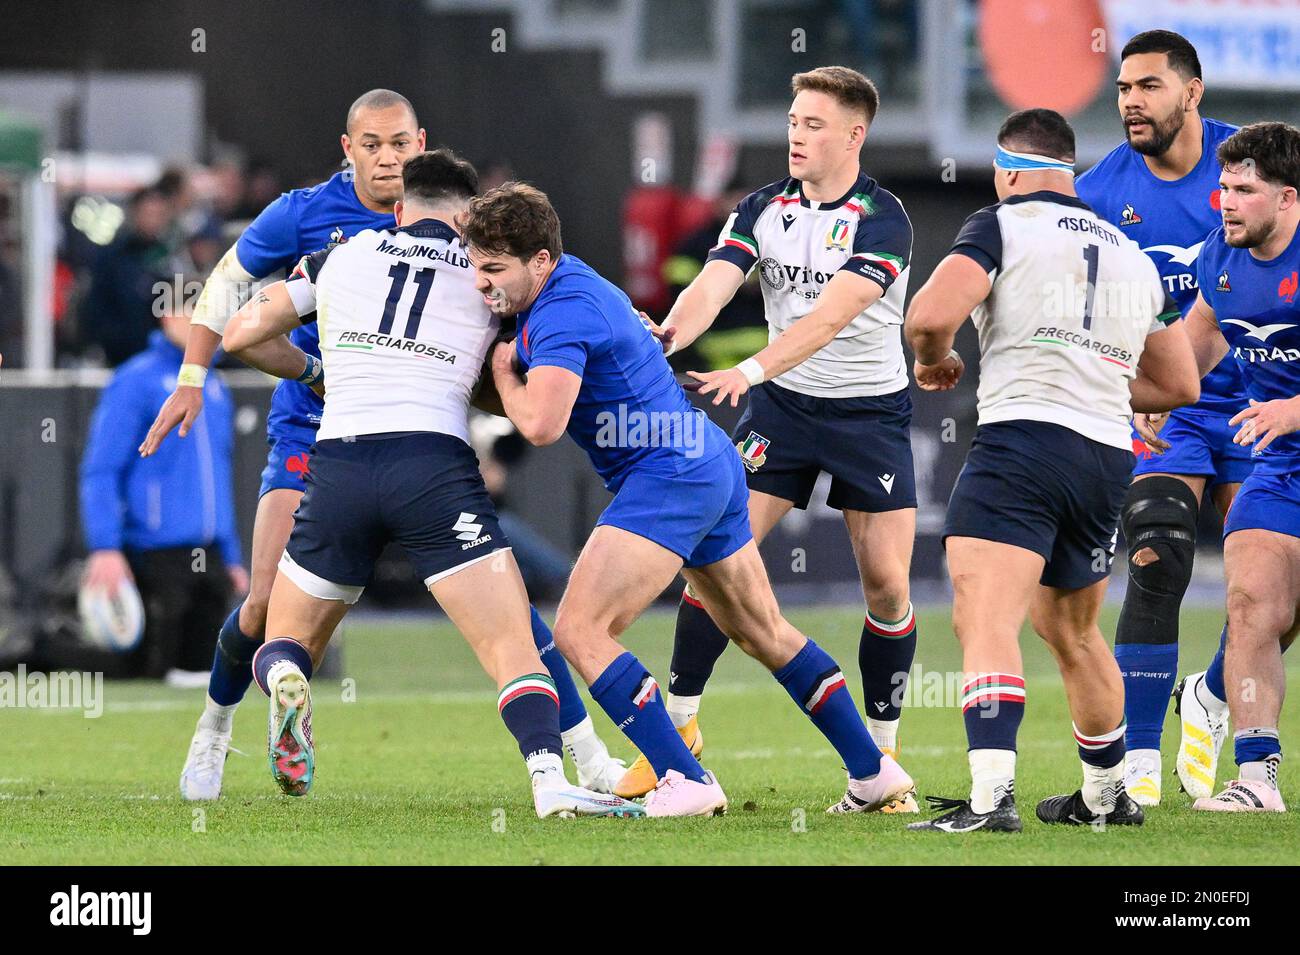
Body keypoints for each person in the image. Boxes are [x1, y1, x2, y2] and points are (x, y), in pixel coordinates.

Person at [138, 89, 621, 801]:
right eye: (373, 145)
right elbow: (226, 283)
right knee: (275, 601)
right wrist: (257, 373)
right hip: (342, 431)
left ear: (418, 147)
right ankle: (212, 735)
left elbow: (244, 322)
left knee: (294, 626)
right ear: (349, 149)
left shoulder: (355, 253)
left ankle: (591, 756)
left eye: (400, 145)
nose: (388, 157)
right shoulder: (324, 219)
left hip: (344, 451)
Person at [464, 181, 915, 817]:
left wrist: (508, 376)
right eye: (476, 267)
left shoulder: (559, 313)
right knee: (764, 632)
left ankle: (685, 775)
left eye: (493, 270)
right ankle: (873, 773)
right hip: (706, 461)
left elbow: (539, 423)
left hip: (667, 471)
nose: (483, 285)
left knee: (580, 630)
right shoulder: (570, 282)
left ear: (539, 261)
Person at [617, 65, 920, 813]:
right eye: (792, 119)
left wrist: (746, 369)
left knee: (885, 584)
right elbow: (714, 283)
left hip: (868, 415)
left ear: (855, 135)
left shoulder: (885, 218)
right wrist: (672, 331)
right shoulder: (762, 206)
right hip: (783, 411)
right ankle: (681, 727)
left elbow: (828, 320)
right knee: (716, 559)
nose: (796, 133)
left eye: (814, 124)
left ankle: (881, 755)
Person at [904, 109, 1200, 833]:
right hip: (1103, 456)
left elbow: (927, 312)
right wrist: (1093, 377)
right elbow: (1179, 382)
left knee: (984, 614)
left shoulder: (999, 223)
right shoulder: (1129, 251)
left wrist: (933, 357)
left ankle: (990, 798)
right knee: (1072, 631)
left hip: (1022, 442)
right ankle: (1105, 796)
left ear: (1008, 170)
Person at [1074, 30, 1245, 804]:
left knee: (1273, 588)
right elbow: (1078, 312)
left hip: (1261, 399)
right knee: (1157, 549)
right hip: (1164, 404)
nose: (1131, 102)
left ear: (1192, 93)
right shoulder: (1097, 196)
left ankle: (1210, 691)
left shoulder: (1255, 168)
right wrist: (1116, 387)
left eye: (1148, 86)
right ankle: (1139, 760)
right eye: (1122, 88)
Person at [1175, 122, 1300, 813]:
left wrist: (1293, 409)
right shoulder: (1219, 255)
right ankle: (1256, 778)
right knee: (1254, 604)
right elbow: (1199, 335)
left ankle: (1211, 690)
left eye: (1244, 191)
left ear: (1288, 199)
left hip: (1285, 433)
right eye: (1224, 187)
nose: (1226, 202)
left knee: (1284, 616)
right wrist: (1155, 393)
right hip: (1281, 469)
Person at [80, 299, 247, 680]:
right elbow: (102, 470)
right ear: (166, 315)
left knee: (206, 677)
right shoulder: (134, 380)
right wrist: (104, 546)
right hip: (157, 553)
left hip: (210, 555)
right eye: (192, 310)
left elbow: (219, 475)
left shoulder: (216, 385)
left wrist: (231, 553)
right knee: (149, 673)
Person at [81, 186, 175, 367]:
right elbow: (96, 307)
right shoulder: (112, 258)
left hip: (161, 357)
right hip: (120, 358)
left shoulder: (170, 258)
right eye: (148, 213)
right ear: (135, 213)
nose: (153, 221)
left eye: (159, 215)